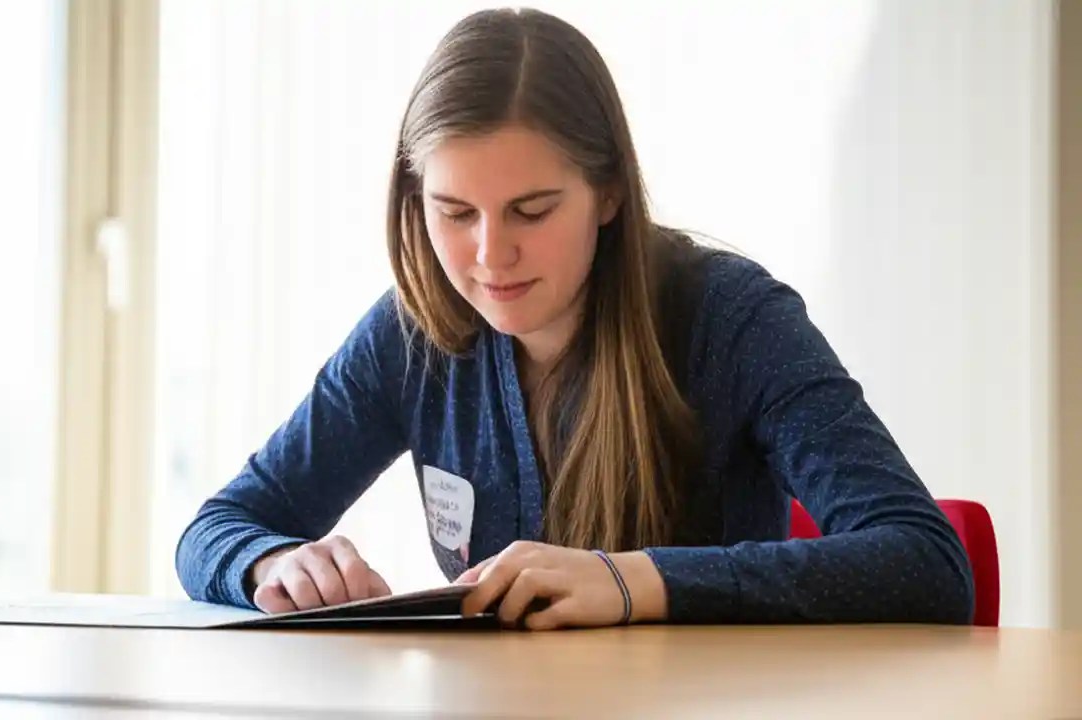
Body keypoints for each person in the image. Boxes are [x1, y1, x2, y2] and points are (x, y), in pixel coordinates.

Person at [175, 7, 974, 629]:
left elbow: (926, 562)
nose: (490, 256)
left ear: (610, 194)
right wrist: (268, 562)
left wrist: (634, 581)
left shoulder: (732, 318)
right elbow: (221, 525)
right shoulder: (413, 331)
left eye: (531, 210)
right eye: (454, 212)